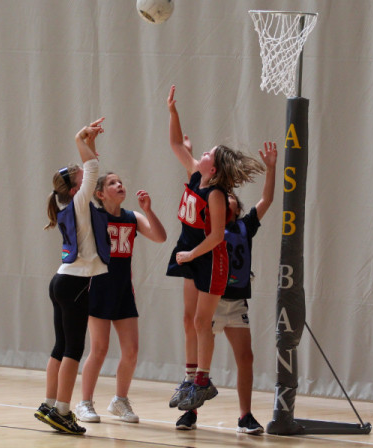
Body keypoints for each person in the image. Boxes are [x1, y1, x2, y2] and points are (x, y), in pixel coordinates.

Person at [164, 85, 266, 428]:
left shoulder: (218, 195)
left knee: (201, 322)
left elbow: (218, 236)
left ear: (215, 167)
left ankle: (202, 380)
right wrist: (173, 112)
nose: (203, 152)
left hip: (210, 259)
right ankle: (192, 378)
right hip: (193, 256)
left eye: (208, 153)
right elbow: (175, 144)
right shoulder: (197, 174)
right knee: (189, 320)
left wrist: (191, 253)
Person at [177, 138, 278, 434]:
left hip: (235, 301)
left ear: (236, 206)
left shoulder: (245, 226)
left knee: (246, 357)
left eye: (231, 196)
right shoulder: (209, 226)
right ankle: (190, 411)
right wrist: (190, 154)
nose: (226, 196)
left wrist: (271, 169)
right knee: (201, 353)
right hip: (212, 296)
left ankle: (245, 416)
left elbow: (267, 200)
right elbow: (196, 183)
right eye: (224, 194)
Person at [34, 117, 109, 435]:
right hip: (74, 283)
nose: (89, 178)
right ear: (78, 189)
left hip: (62, 281)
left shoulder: (72, 204)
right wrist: (81, 138)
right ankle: (63, 411)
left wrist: (90, 143)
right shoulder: (79, 203)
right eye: (83, 179)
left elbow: (90, 166)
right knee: (72, 349)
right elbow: (92, 167)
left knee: (61, 346)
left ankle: (49, 404)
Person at [75, 173, 167, 424]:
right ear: (100, 194)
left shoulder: (132, 217)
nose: (119, 185)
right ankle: (84, 403)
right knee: (99, 349)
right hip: (98, 289)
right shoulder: (94, 216)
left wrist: (148, 210)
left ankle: (119, 401)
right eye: (112, 183)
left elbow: (160, 237)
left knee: (132, 351)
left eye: (120, 182)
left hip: (123, 291)